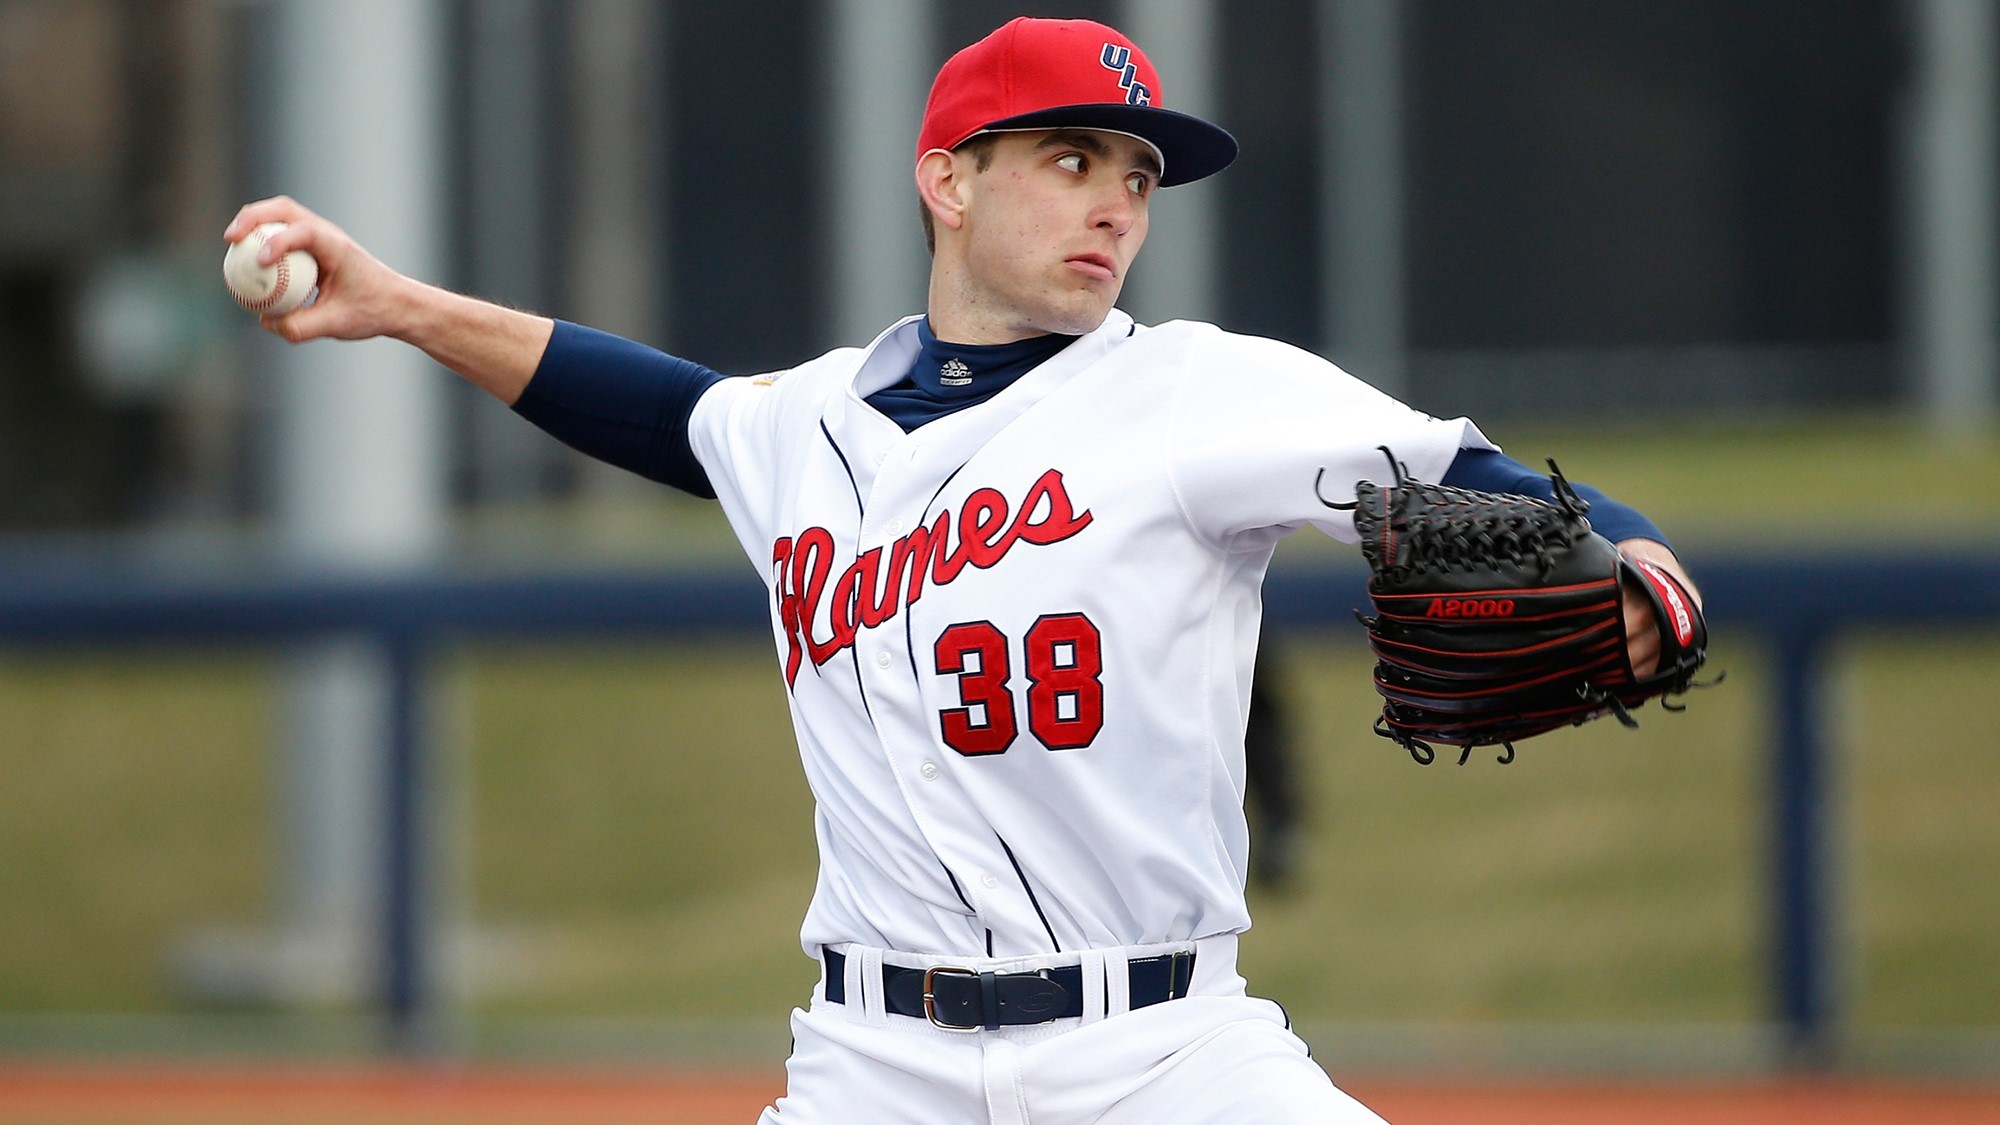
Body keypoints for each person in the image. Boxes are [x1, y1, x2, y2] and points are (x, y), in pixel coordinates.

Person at [227, 17, 1697, 1123]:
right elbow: (652, 405)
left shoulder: (1194, 392)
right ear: (946, 177)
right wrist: (399, 306)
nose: (1116, 202)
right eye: (1069, 161)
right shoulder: (798, 426)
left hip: (1164, 1054)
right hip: (874, 1061)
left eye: (1134, 174)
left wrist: (1630, 552)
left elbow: (1464, 472)